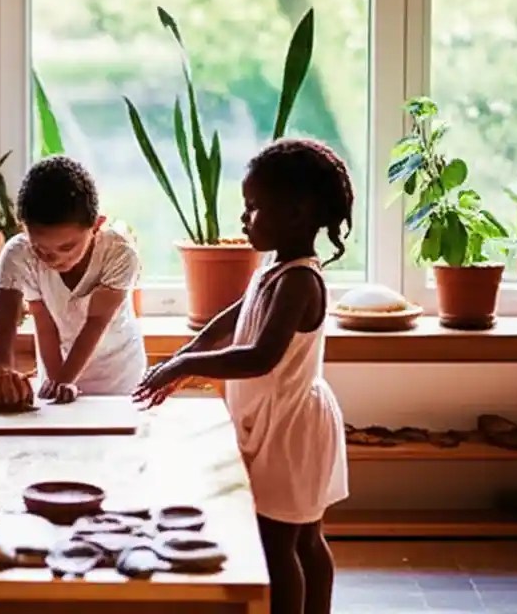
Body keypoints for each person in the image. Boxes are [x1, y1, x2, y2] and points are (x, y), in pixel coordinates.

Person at [134, 138, 353, 614]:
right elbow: (232, 318)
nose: (243, 218)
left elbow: (259, 357)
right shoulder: (273, 270)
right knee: (300, 538)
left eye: (254, 207)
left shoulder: (299, 280)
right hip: (276, 419)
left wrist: (187, 366)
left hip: (293, 427)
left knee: (284, 545)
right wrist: (187, 351)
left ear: (296, 214)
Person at [0, 155, 146, 401]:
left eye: (67, 247)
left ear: (96, 225)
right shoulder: (18, 254)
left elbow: (96, 322)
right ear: (24, 228)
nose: (53, 258)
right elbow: (38, 322)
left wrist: (64, 380)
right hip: (56, 368)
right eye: (41, 248)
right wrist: (51, 381)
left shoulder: (119, 252)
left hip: (118, 377)